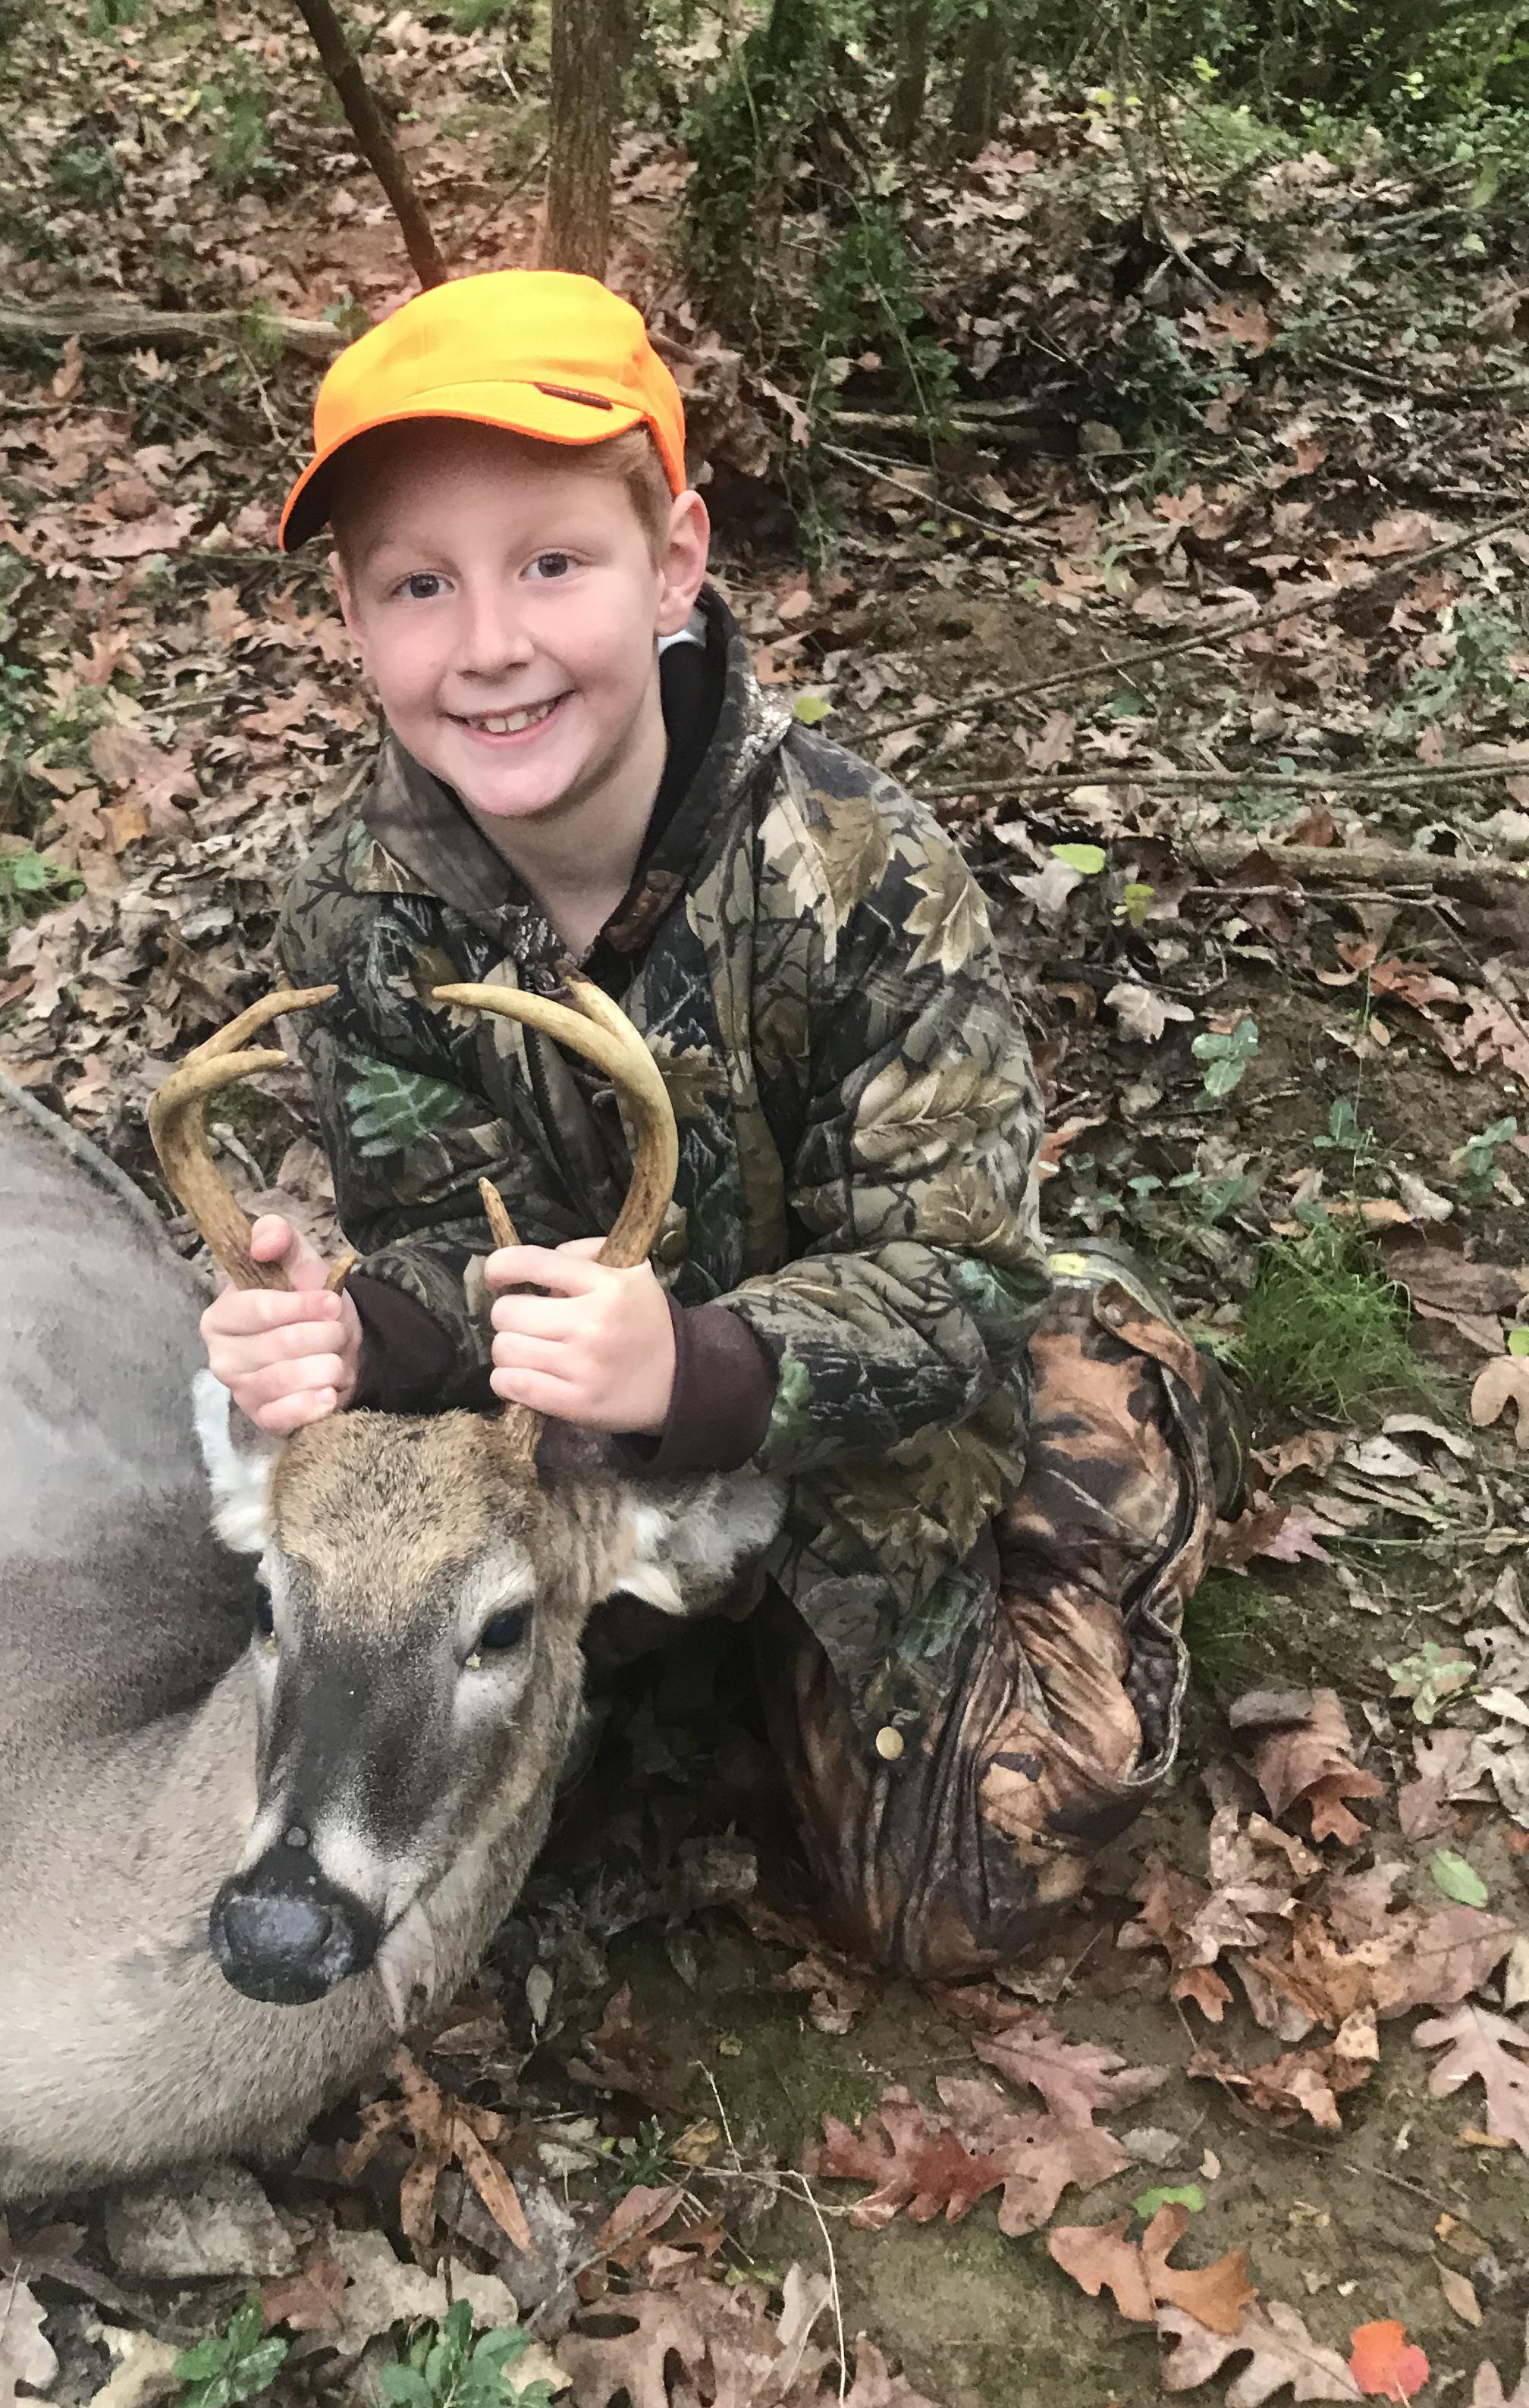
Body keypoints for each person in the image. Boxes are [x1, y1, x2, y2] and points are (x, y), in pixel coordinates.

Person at [198, 270, 1237, 1980]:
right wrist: (357, 1325)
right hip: (586, 1454)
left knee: (965, 1886)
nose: (489, 645)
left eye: (551, 562)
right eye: (417, 585)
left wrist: (699, 1375)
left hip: (849, 1409)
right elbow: (445, 1230)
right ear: (355, 617)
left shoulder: (864, 875)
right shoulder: (358, 908)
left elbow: (950, 1279)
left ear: (673, 562)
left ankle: (1136, 1410)